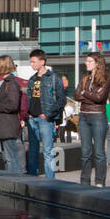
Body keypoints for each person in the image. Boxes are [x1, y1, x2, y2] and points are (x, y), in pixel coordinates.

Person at [26, 49, 65, 178]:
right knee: (33, 150)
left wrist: (48, 114)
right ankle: (32, 179)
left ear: (42, 62)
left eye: (34, 61)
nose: (32, 64)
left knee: (48, 151)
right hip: (32, 118)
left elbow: (61, 99)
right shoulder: (32, 79)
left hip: (45, 119)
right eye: (31, 62)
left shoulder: (53, 78)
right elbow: (29, 98)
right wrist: (29, 113)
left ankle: (50, 180)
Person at [75, 52, 110, 187]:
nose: (86, 63)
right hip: (84, 115)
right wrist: (88, 94)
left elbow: (100, 98)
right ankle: (84, 181)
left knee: (99, 152)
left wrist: (85, 93)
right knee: (85, 151)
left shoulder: (106, 79)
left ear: (97, 63)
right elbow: (76, 94)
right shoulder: (85, 77)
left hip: (98, 116)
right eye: (86, 61)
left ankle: (100, 181)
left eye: (89, 61)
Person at [0, 55, 24, 173]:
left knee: (11, 158)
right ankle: (11, 184)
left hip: (7, 126)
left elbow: (13, 105)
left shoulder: (11, 83)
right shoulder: (5, 82)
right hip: (4, 127)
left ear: (2, 66)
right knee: (8, 158)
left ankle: (14, 185)